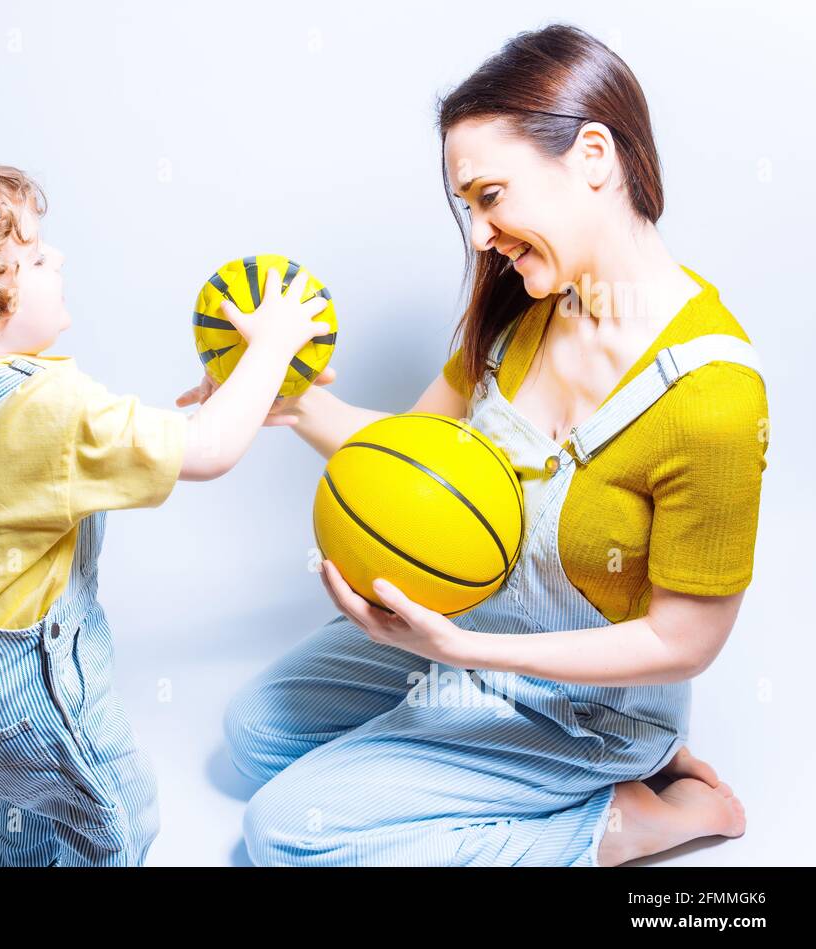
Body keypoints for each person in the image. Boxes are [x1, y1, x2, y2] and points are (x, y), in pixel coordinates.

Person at [184, 24, 766, 866]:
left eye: (490, 196)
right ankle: (448, 764)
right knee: (253, 736)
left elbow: (685, 642)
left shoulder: (713, 397)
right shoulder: (521, 314)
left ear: (593, 156)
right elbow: (408, 456)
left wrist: (457, 652)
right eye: (468, 207)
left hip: (587, 701)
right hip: (464, 623)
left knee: (284, 836)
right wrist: (279, 397)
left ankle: (625, 821)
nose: (480, 234)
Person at [0, 156, 330, 865]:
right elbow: (209, 452)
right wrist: (270, 350)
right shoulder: (44, 407)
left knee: (37, 804)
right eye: (28, 257)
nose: (54, 255)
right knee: (114, 812)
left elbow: (77, 448)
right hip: (25, 699)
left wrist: (230, 391)